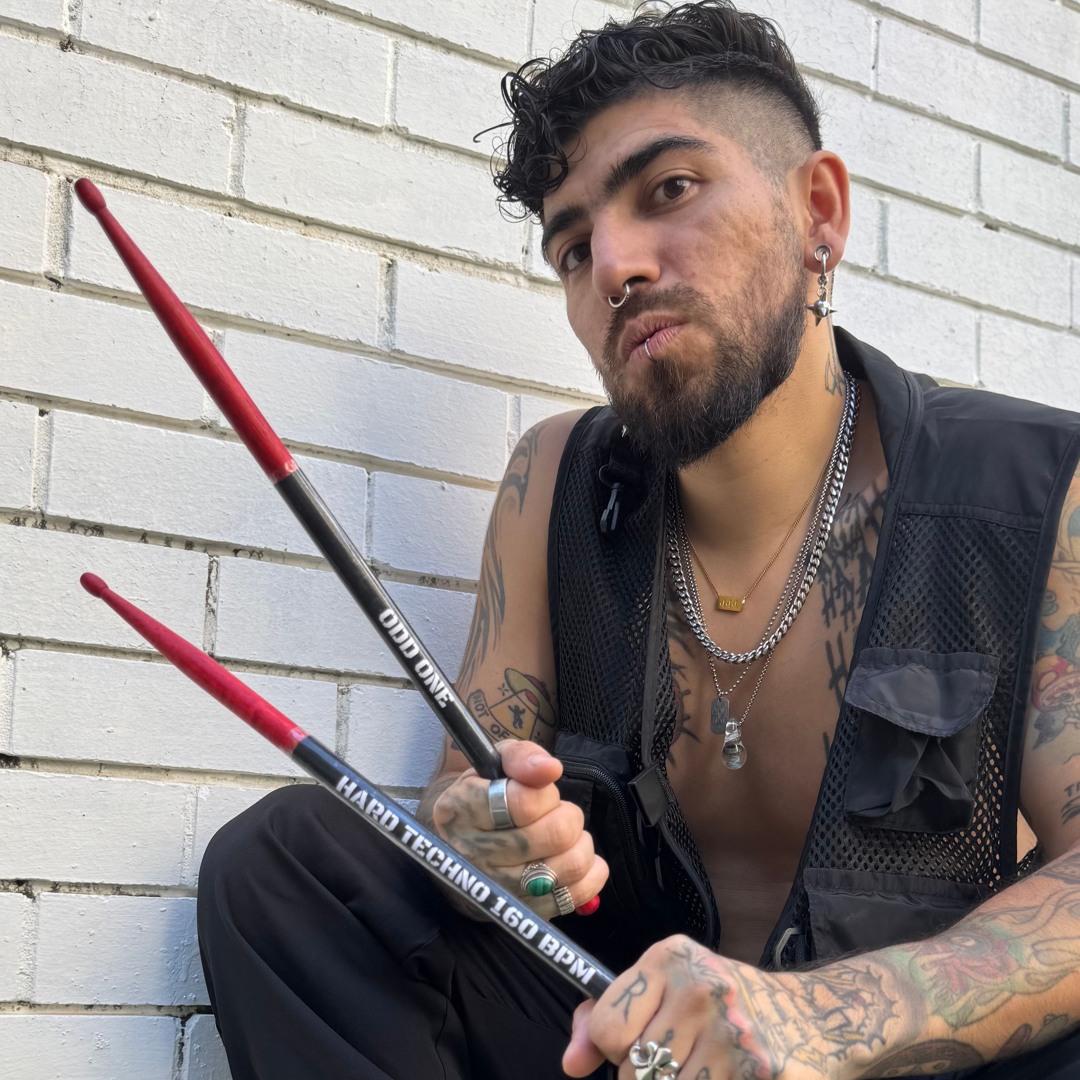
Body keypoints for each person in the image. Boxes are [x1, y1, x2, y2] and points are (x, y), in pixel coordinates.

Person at [196, 3, 1080, 1077]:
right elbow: (465, 787)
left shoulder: (1031, 488)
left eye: (669, 190)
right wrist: (484, 837)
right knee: (288, 863)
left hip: (895, 1054)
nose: (614, 266)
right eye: (572, 247)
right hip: (615, 1042)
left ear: (818, 213)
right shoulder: (554, 484)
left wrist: (822, 1019)